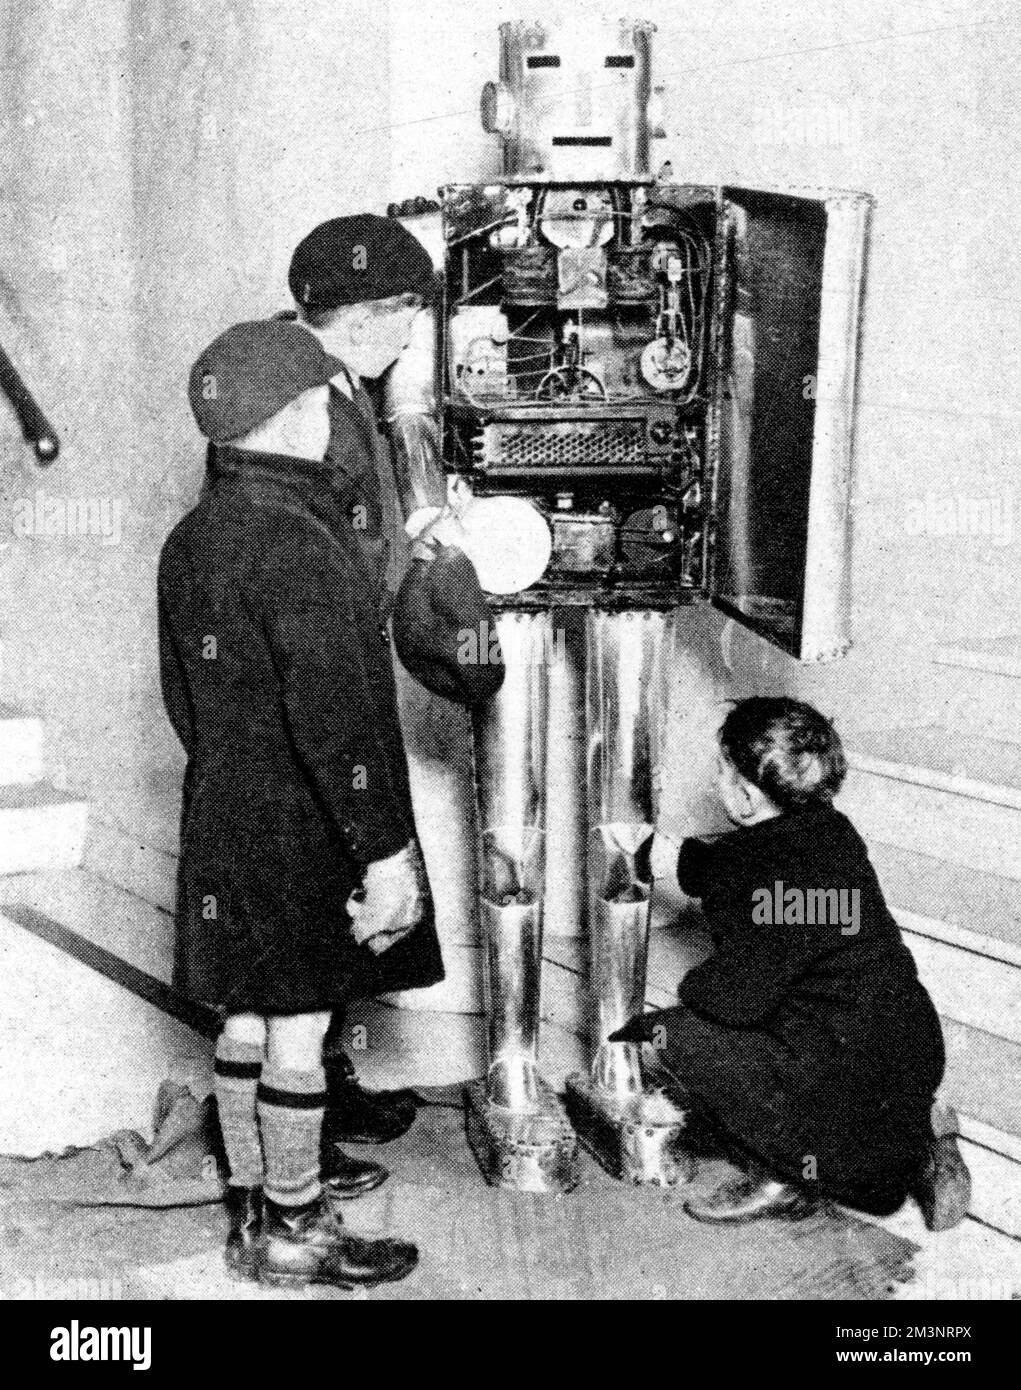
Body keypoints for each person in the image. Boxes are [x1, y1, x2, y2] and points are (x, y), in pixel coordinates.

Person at [158, 318, 444, 1288]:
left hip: (224, 810)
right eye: (327, 401)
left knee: (243, 1014)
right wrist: (384, 852)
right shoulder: (303, 542)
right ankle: (292, 1222)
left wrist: (237, 776)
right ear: (293, 417)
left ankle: (248, 1204)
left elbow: (181, 696)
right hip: (302, 825)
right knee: (300, 1029)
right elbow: (342, 723)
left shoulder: (192, 537)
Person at [285, 212, 499, 1148]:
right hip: (317, 680)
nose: (411, 338)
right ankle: (307, 1118)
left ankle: (331, 1078)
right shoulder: (300, 407)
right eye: (403, 318)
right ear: (361, 318)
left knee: (342, 905)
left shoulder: (338, 392)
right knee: (319, 903)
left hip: (345, 665)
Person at [613, 697, 971, 1227]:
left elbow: (733, 1000)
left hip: (838, 1063)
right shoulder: (832, 833)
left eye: (721, 772)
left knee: (678, 1039)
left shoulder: (768, 873)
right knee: (834, 1062)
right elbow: (744, 867)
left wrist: (672, 1007)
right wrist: (669, 856)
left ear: (747, 795)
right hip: (911, 1043)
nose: (716, 783)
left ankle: (788, 1177)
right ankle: (919, 1135)